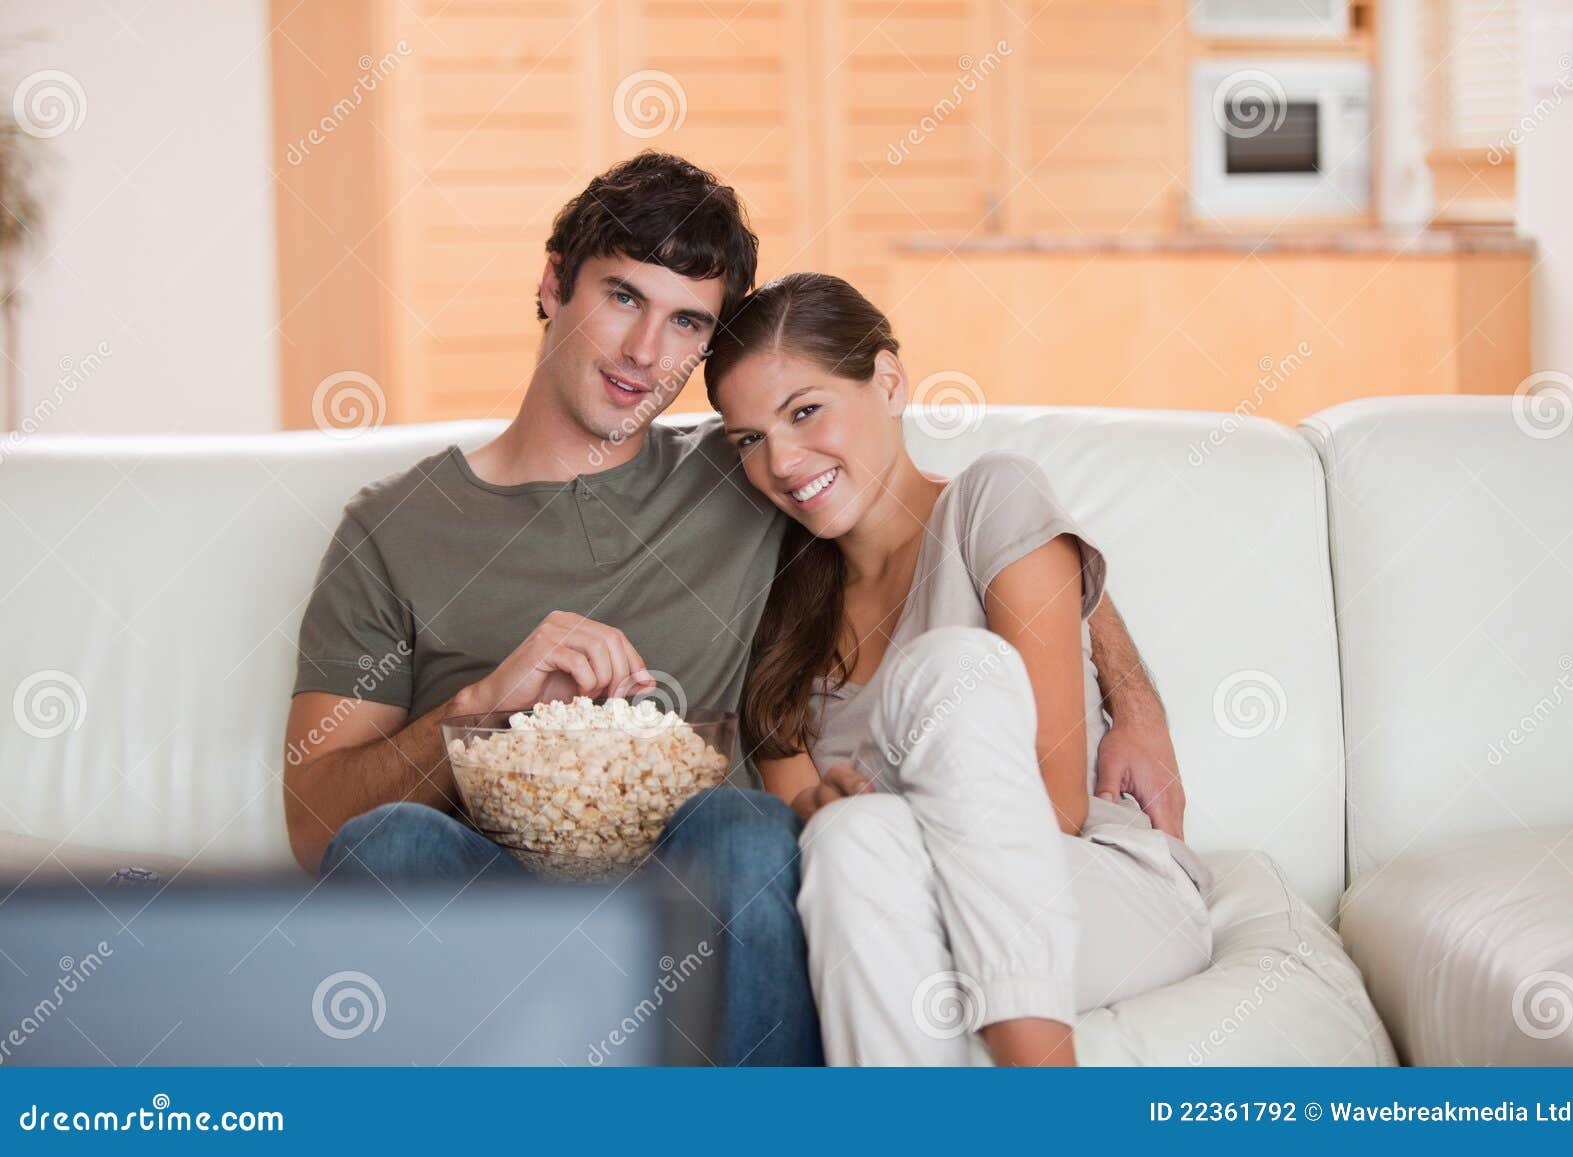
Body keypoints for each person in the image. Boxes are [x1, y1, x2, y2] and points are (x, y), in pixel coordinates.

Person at [282, 152, 817, 1066]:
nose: (646, 354)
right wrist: (479, 709)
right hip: (498, 936)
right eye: (622, 297)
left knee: (746, 824)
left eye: (686, 322)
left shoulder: (750, 472)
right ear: (552, 284)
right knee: (390, 842)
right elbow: (315, 822)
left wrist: (1126, 691)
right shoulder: (393, 528)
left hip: (694, 917)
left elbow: (943, 508)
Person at [703, 272, 1216, 1066]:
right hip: (898, 910)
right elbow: (811, 853)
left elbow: (1051, 805)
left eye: (805, 411)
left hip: (1087, 888)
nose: (783, 460)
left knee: (952, 671)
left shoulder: (990, 501)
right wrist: (837, 815)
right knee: (847, 841)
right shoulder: (774, 618)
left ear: (889, 381)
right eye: (748, 439)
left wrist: (1136, 700)